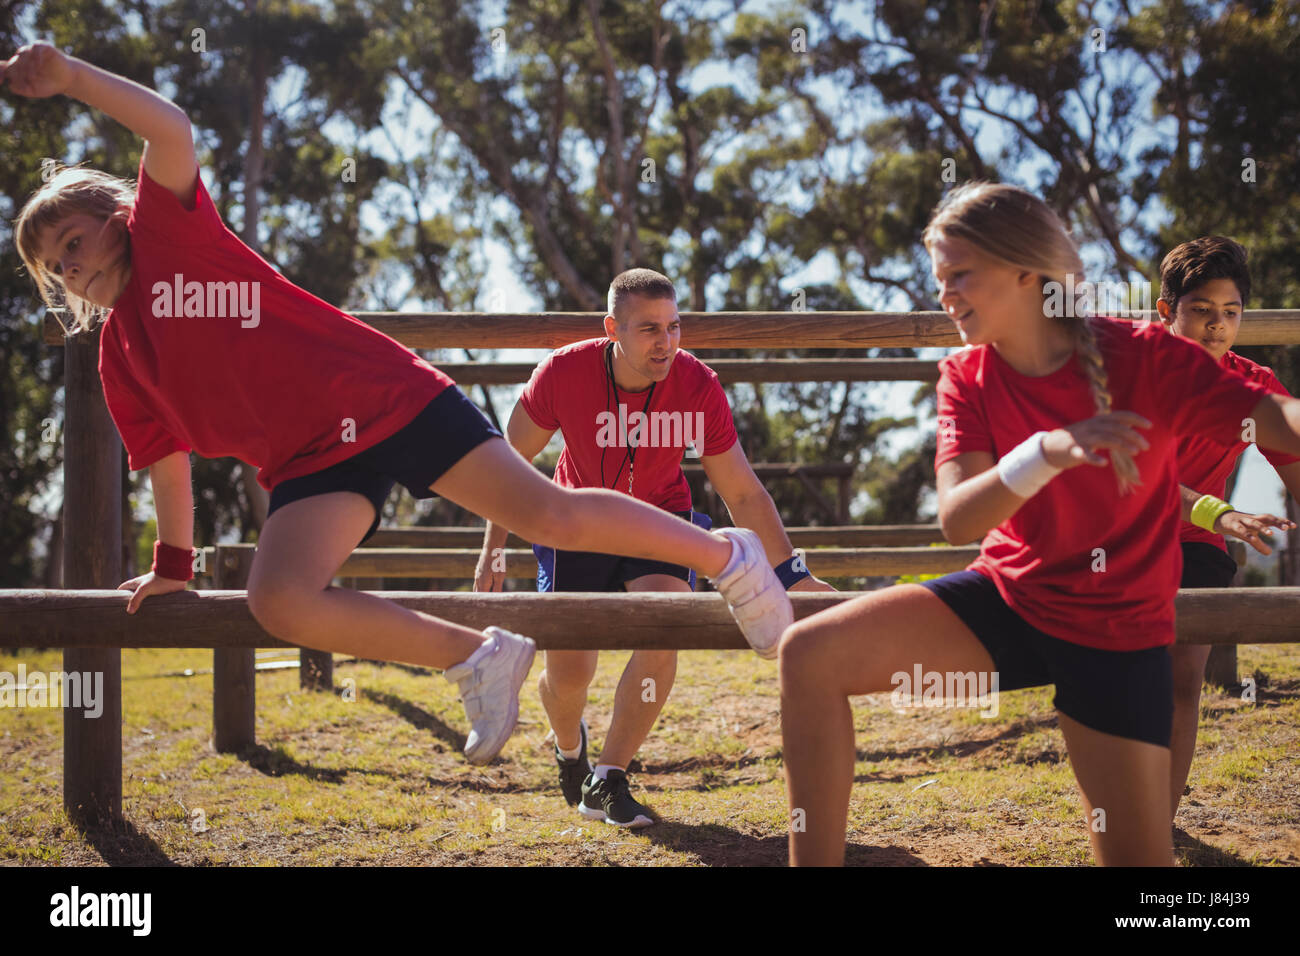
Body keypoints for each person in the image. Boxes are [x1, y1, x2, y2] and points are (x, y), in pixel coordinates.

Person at [7, 43, 792, 768]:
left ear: (117, 220)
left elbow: (171, 127)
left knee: (546, 515)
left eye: (72, 242)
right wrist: (171, 568)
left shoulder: (175, 235)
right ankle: (477, 657)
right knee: (277, 598)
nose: (68, 268)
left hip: (387, 397)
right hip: (312, 462)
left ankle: (729, 558)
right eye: (52, 265)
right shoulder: (119, 358)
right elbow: (164, 463)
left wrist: (71, 78)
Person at [777, 182, 1300, 866]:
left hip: (1115, 631)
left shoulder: (1143, 353)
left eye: (959, 275)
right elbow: (960, 516)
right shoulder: (966, 373)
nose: (946, 295)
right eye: (940, 279)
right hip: (1010, 599)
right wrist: (1045, 452)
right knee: (808, 656)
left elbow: (1275, 419)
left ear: (1026, 271)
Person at [475, 268, 834, 827]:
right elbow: (507, 460)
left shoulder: (698, 384)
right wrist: (493, 545)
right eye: (648, 329)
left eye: (674, 326)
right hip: (576, 520)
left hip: (662, 520)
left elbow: (741, 489)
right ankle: (570, 748)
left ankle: (609, 775)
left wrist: (792, 575)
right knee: (570, 672)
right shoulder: (564, 372)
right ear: (612, 328)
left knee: (664, 625)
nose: (665, 342)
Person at [1154, 236, 1300, 822]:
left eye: (1230, 313)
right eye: (1200, 311)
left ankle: (1156, 828)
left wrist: (1215, 520)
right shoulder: (1133, 372)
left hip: (1194, 545)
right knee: (1116, 676)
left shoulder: (1254, 384)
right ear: (1166, 312)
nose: (1216, 326)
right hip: (1109, 537)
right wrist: (1222, 513)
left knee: (1183, 680)